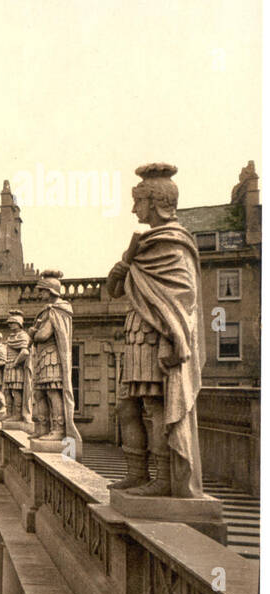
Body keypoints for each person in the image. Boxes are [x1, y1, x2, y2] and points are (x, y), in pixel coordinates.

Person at [105, 163, 204, 497]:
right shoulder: (144, 245)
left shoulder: (174, 243)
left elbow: (182, 300)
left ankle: (162, 480)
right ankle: (136, 474)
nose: (134, 208)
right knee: (126, 407)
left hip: (156, 335)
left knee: (156, 407)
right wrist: (121, 269)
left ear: (157, 201)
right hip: (136, 332)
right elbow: (115, 291)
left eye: (139, 201)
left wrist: (169, 341)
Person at [28, 270, 82, 453]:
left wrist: (33, 333)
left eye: (42, 291)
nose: (40, 294)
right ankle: (43, 427)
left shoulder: (57, 310)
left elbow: (43, 335)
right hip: (43, 358)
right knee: (40, 393)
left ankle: (58, 429)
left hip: (52, 357)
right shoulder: (47, 311)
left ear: (51, 291)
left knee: (52, 392)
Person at [1, 312, 31, 423]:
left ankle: (17, 415)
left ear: (19, 323)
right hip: (8, 366)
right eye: (10, 323)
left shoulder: (23, 336)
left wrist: (15, 362)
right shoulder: (11, 336)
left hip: (16, 367)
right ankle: (9, 413)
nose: (10, 325)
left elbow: (25, 352)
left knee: (16, 391)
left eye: (12, 323)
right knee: (7, 391)